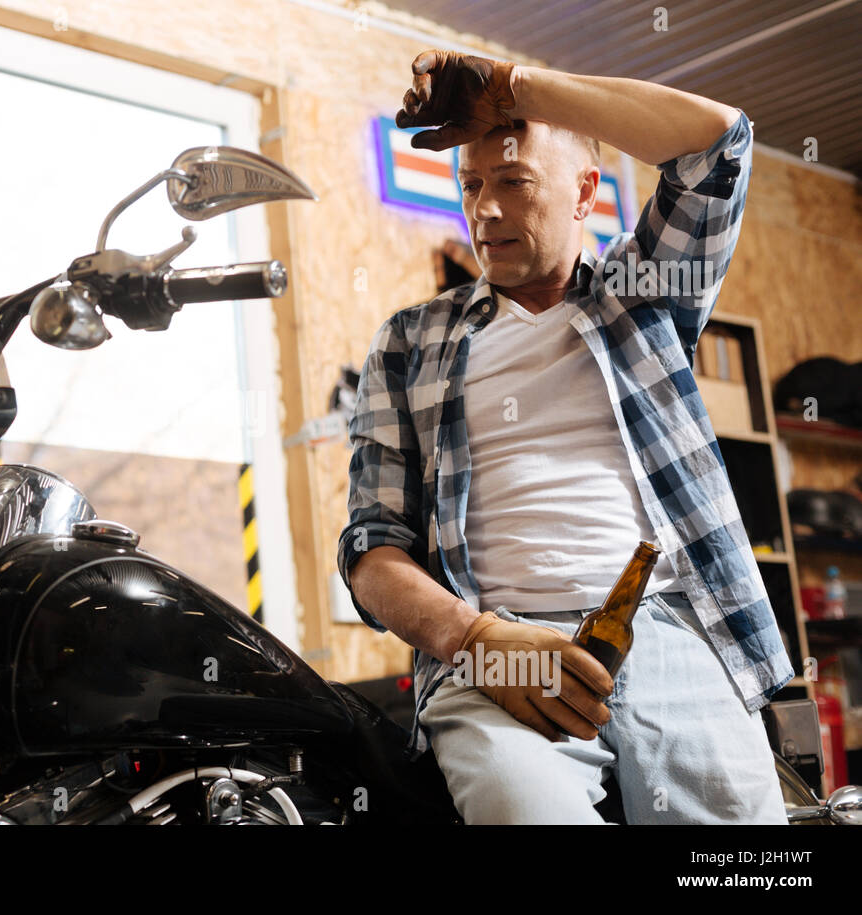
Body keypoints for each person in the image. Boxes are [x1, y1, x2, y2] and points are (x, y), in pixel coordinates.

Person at [337, 50, 793, 824]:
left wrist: (514, 88)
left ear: (585, 192)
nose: (483, 210)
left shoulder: (642, 295)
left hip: (677, 624)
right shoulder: (409, 342)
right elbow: (373, 553)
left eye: (512, 181)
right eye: (471, 185)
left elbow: (718, 143)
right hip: (495, 642)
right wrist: (477, 638)